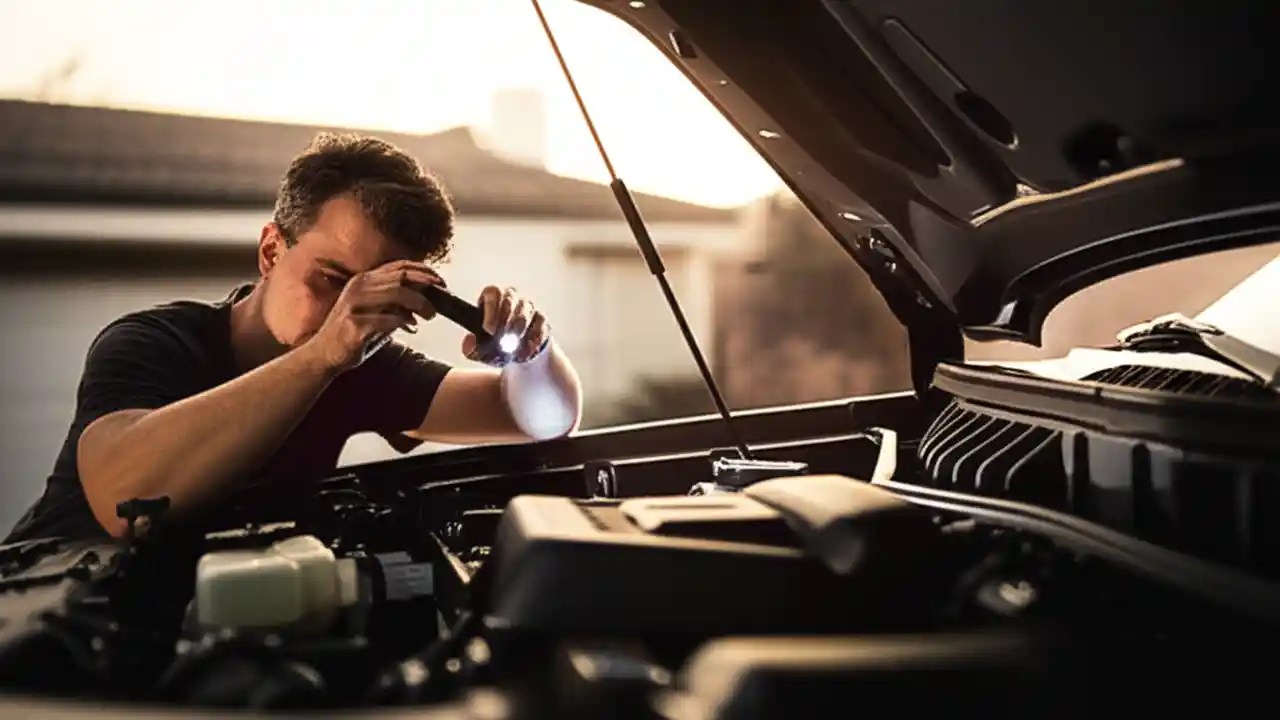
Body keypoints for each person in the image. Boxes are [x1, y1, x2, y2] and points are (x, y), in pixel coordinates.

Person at [4, 132, 583, 542]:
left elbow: (542, 418)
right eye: (332, 278)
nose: (351, 310)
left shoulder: (360, 370)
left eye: (376, 290)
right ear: (271, 250)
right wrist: (321, 357)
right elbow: (128, 505)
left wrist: (531, 350)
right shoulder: (151, 342)